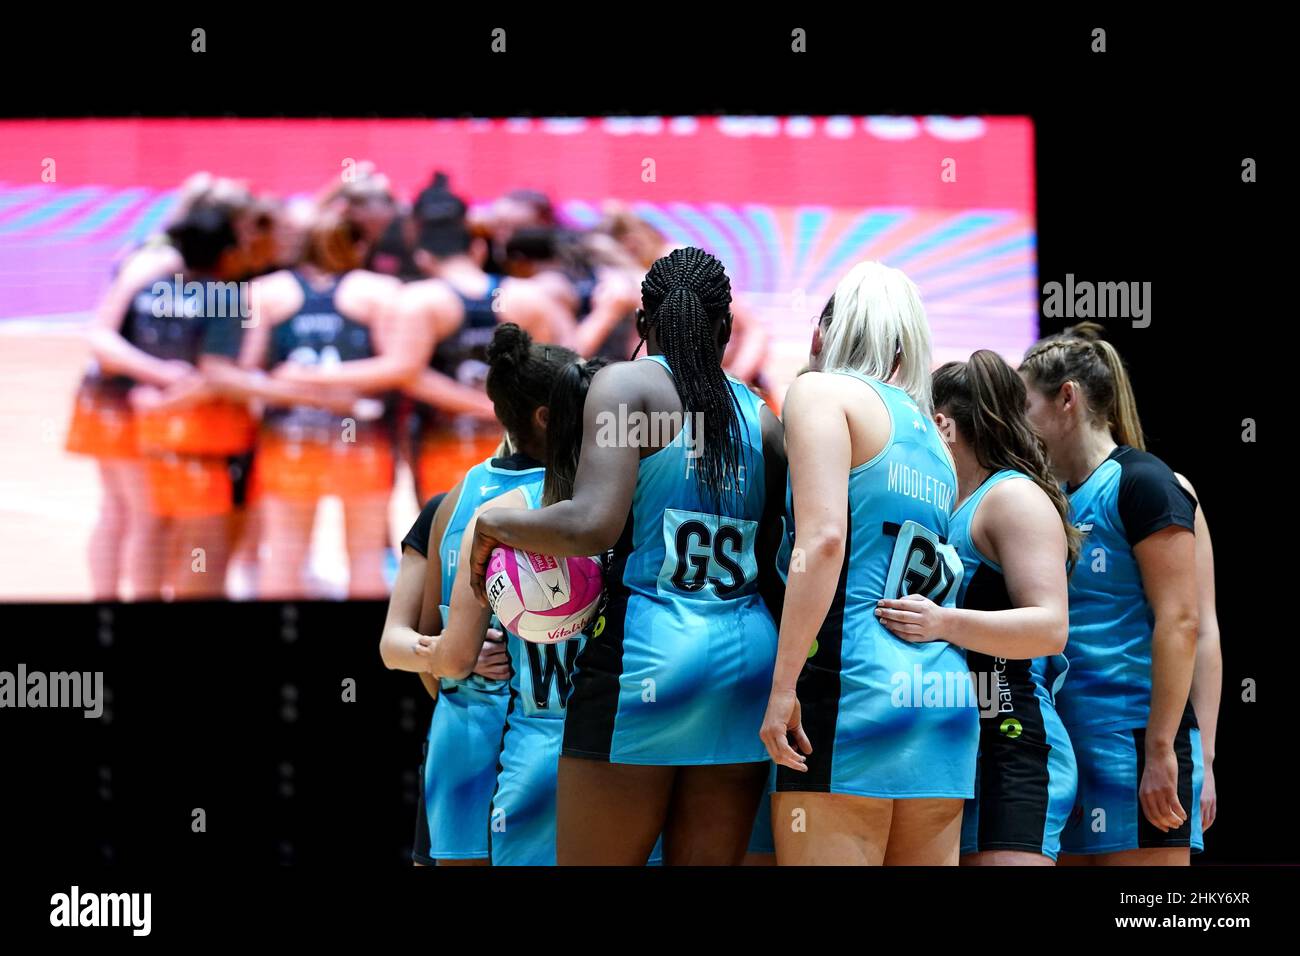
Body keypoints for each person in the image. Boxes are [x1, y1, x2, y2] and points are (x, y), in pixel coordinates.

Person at [466, 247, 787, 865]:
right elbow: (779, 557)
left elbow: (591, 523)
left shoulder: (625, 384)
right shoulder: (761, 416)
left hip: (649, 656)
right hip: (748, 664)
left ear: (644, 324)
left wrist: (495, 524)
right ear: (723, 329)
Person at [761, 261, 977, 865]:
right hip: (939, 698)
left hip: (850, 689)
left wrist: (783, 688)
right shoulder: (934, 437)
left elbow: (824, 540)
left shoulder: (820, 392)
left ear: (827, 329)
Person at [876, 351, 1079, 864]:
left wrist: (943, 623)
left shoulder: (1013, 498)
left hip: (1015, 737)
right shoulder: (946, 503)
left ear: (942, 425)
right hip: (957, 738)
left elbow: (1050, 627)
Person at [1019, 327, 1201, 864]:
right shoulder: (1048, 500)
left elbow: (1183, 620)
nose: (1019, 422)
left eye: (1025, 404)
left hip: (1136, 740)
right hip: (1068, 744)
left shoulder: (1143, 482)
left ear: (1067, 399)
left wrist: (1164, 749)